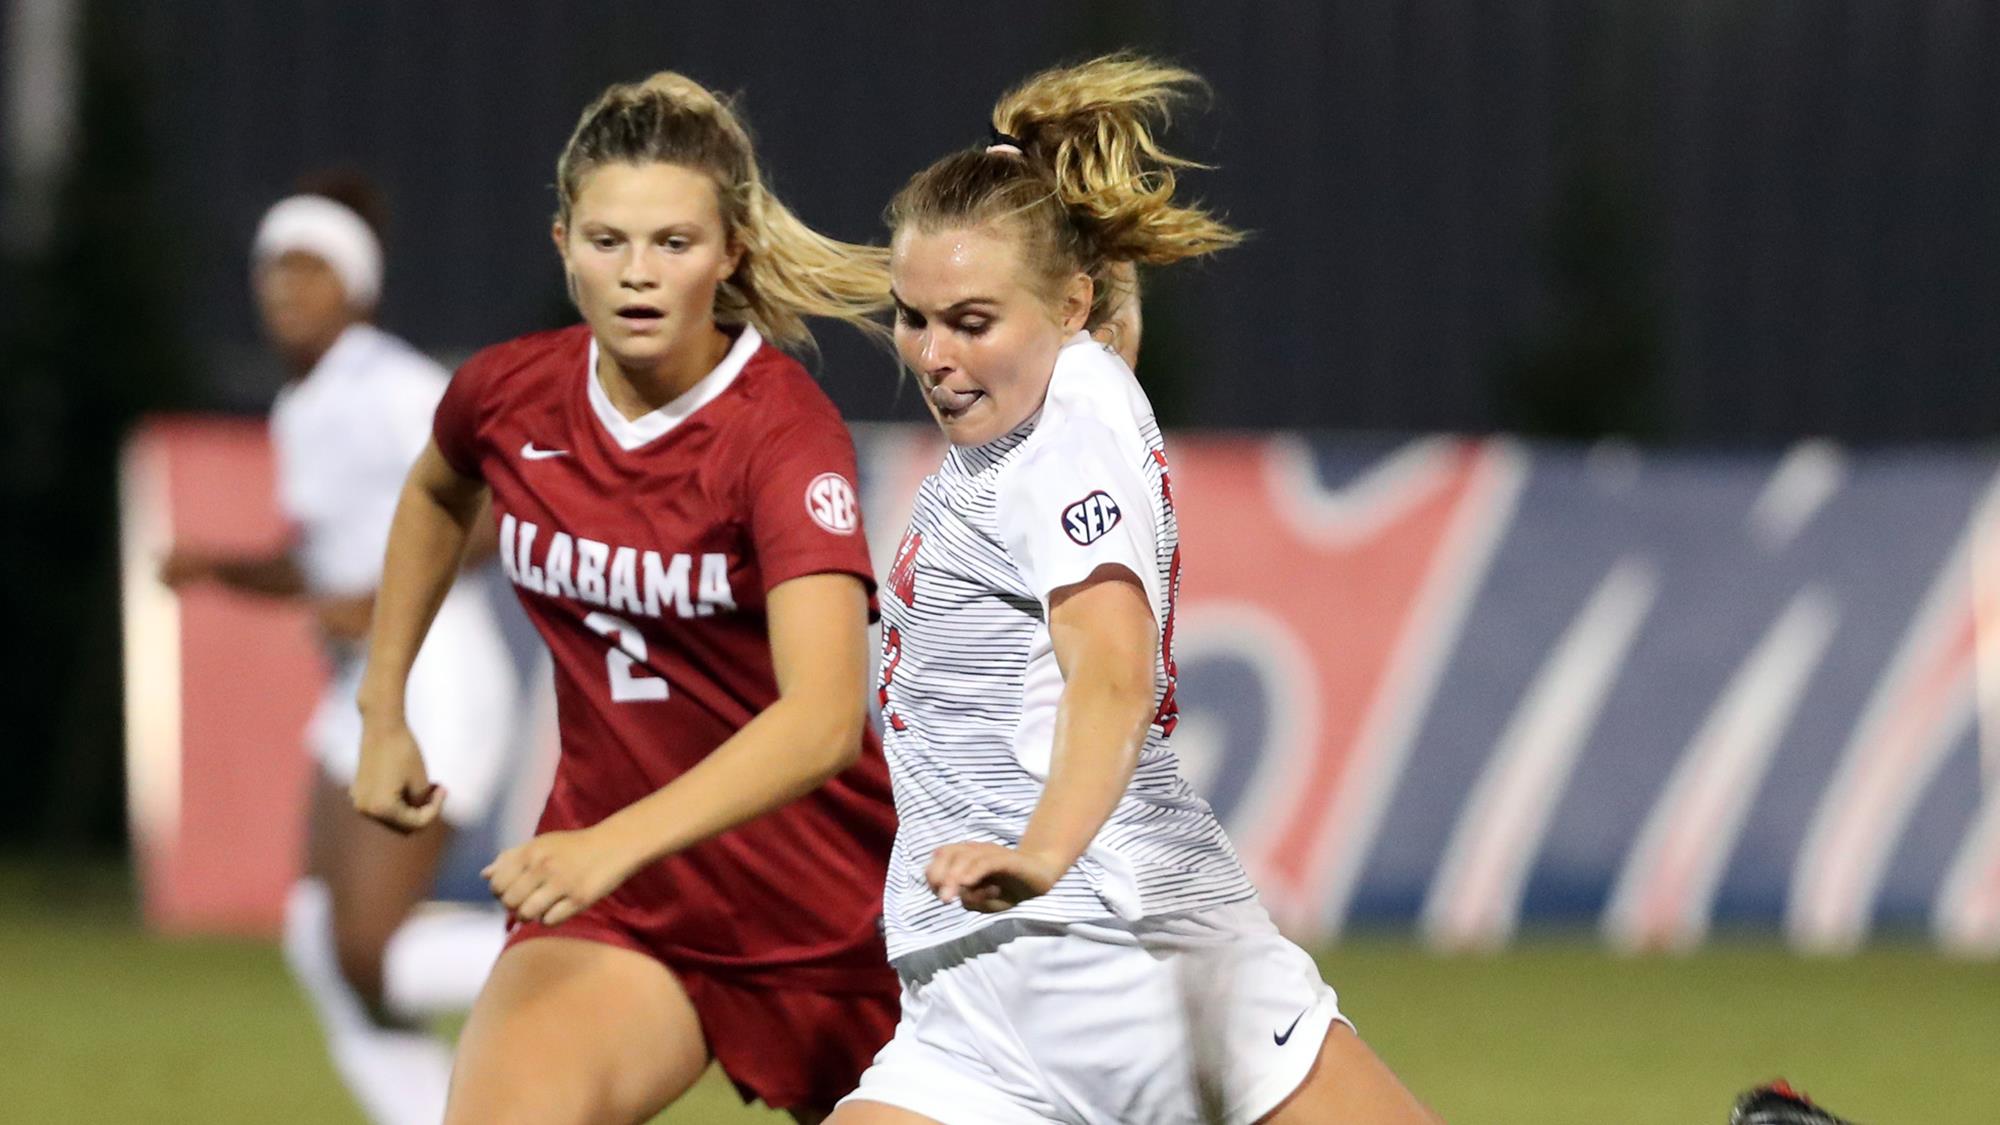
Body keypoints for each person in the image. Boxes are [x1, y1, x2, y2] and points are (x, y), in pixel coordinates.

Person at [832, 55, 1442, 1125]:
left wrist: (1040, 853)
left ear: (1067, 306)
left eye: (970, 320)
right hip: (973, 1003)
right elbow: (1102, 326)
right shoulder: (1026, 417)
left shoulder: (1067, 418)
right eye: (910, 317)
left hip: (1130, 950)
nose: (931, 355)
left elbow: (1106, 669)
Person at [350, 72, 900, 1124]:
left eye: (673, 244)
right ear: (561, 242)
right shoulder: (508, 395)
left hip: (834, 921)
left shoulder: (781, 434)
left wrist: (609, 843)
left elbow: (825, 719)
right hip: (625, 918)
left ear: (730, 251)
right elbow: (433, 490)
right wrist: (384, 709)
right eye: (607, 242)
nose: (638, 275)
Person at [159, 172, 520, 1125]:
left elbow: (490, 501)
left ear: (356, 284)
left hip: (436, 673)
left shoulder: (392, 383)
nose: (284, 285)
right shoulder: (303, 404)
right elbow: (320, 560)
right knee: (319, 936)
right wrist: (220, 569)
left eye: (309, 266)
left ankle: (630, 952)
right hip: (366, 681)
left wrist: (379, 598)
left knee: (368, 947)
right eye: (273, 266)